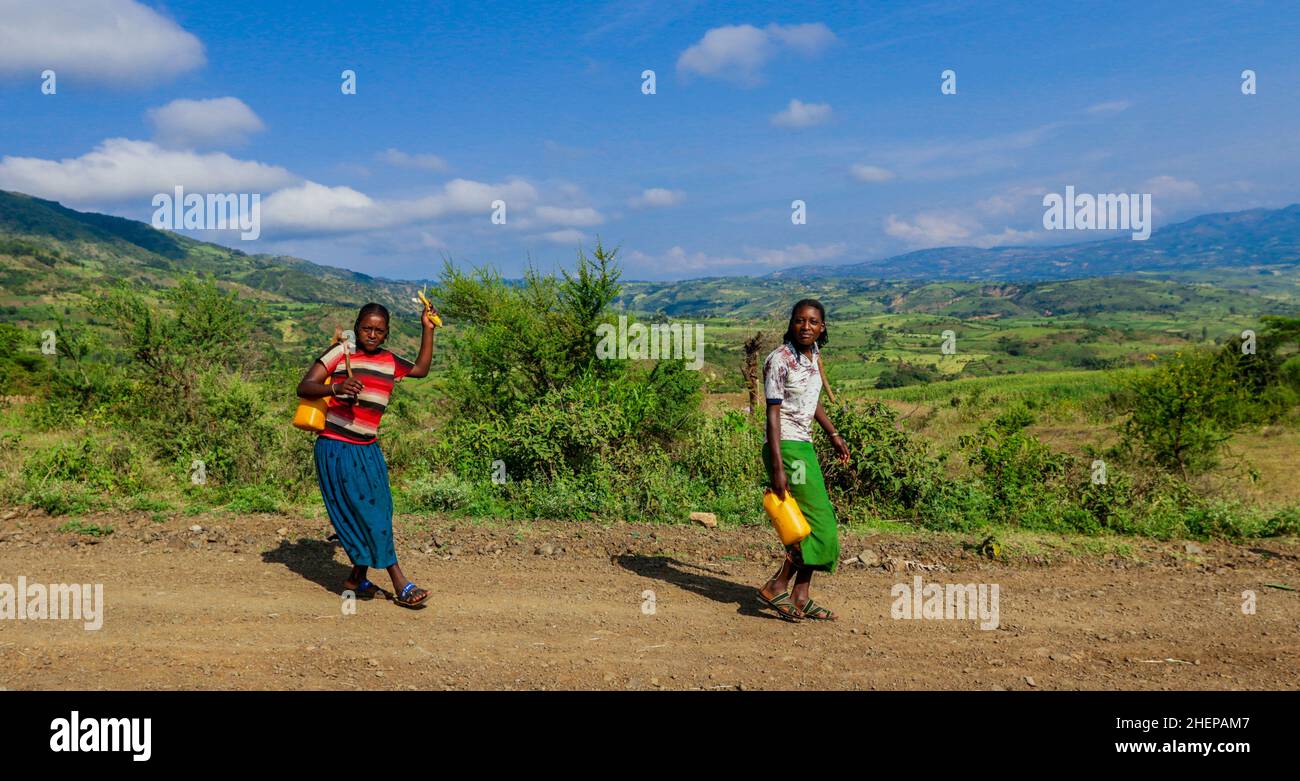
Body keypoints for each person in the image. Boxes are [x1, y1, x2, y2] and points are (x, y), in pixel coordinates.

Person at [296, 302, 438, 608]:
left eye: (379, 330)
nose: (372, 335)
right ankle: (400, 582)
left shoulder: (389, 361)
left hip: (368, 448)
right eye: (366, 328)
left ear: (386, 333)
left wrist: (427, 328)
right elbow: (304, 387)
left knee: (380, 511)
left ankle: (355, 579)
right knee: (368, 513)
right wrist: (336, 387)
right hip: (337, 447)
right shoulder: (341, 352)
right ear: (357, 327)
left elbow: (421, 369)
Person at [757, 299, 850, 622]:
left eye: (813, 322)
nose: (806, 327)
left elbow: (811, 400)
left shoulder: (814, 355)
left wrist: (833, 434)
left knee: (817, 521)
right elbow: (772, 414)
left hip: (804, 445)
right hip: (786, 448)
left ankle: (800, 595)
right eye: (800, 320)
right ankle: (776, 586)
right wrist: (778, 468)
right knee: (817, 523)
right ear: (791, 324)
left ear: (822, 327)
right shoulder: (779, 360)